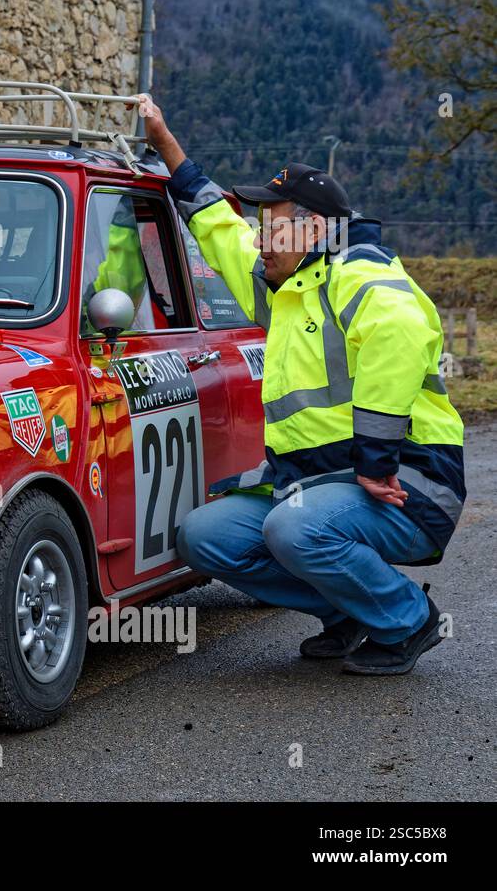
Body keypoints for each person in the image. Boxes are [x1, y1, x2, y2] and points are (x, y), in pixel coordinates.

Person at [136, 94, 466, 675]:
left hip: (407, 482)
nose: (258, 238)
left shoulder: (358, 269)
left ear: (312, 228)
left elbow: (402, 335)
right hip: (318, 485)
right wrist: (164, 142)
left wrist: (375, 458)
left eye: (270, 226)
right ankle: (350, 613)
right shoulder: (279, 283)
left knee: (293, 528)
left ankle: (409, 619)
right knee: (202, 537)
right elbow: (216, 227)